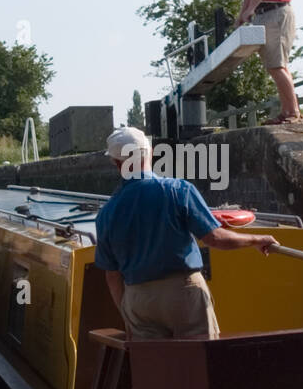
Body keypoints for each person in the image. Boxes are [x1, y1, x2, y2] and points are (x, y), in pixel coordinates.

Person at [94, 127, 278, 340]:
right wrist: (257, 240)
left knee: (154, 368)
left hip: (139, 298)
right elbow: (215, 238)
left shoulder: (106, 213)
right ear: (150, 152)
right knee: (200, 363)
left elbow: (112, 275)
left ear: (116, 164)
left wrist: (128, 311)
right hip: (183, 292)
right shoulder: (177, 190)